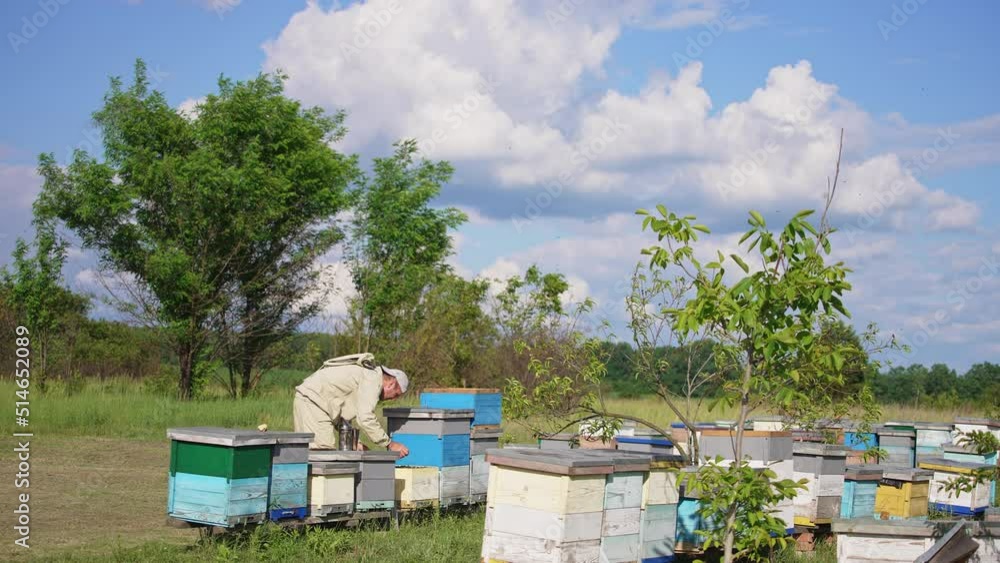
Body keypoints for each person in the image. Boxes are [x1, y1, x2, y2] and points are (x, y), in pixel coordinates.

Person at [293, 353, 410, 457]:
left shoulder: (366, 376)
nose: (392, 399)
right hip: (314, 403)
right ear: (391, 383)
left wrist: (354, 442)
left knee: (306, 453)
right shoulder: (373, 380)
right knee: (322, 453)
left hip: (309, 400)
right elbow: (365, 418)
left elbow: (340, 411)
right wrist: (389, 444)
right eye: (395, 394)